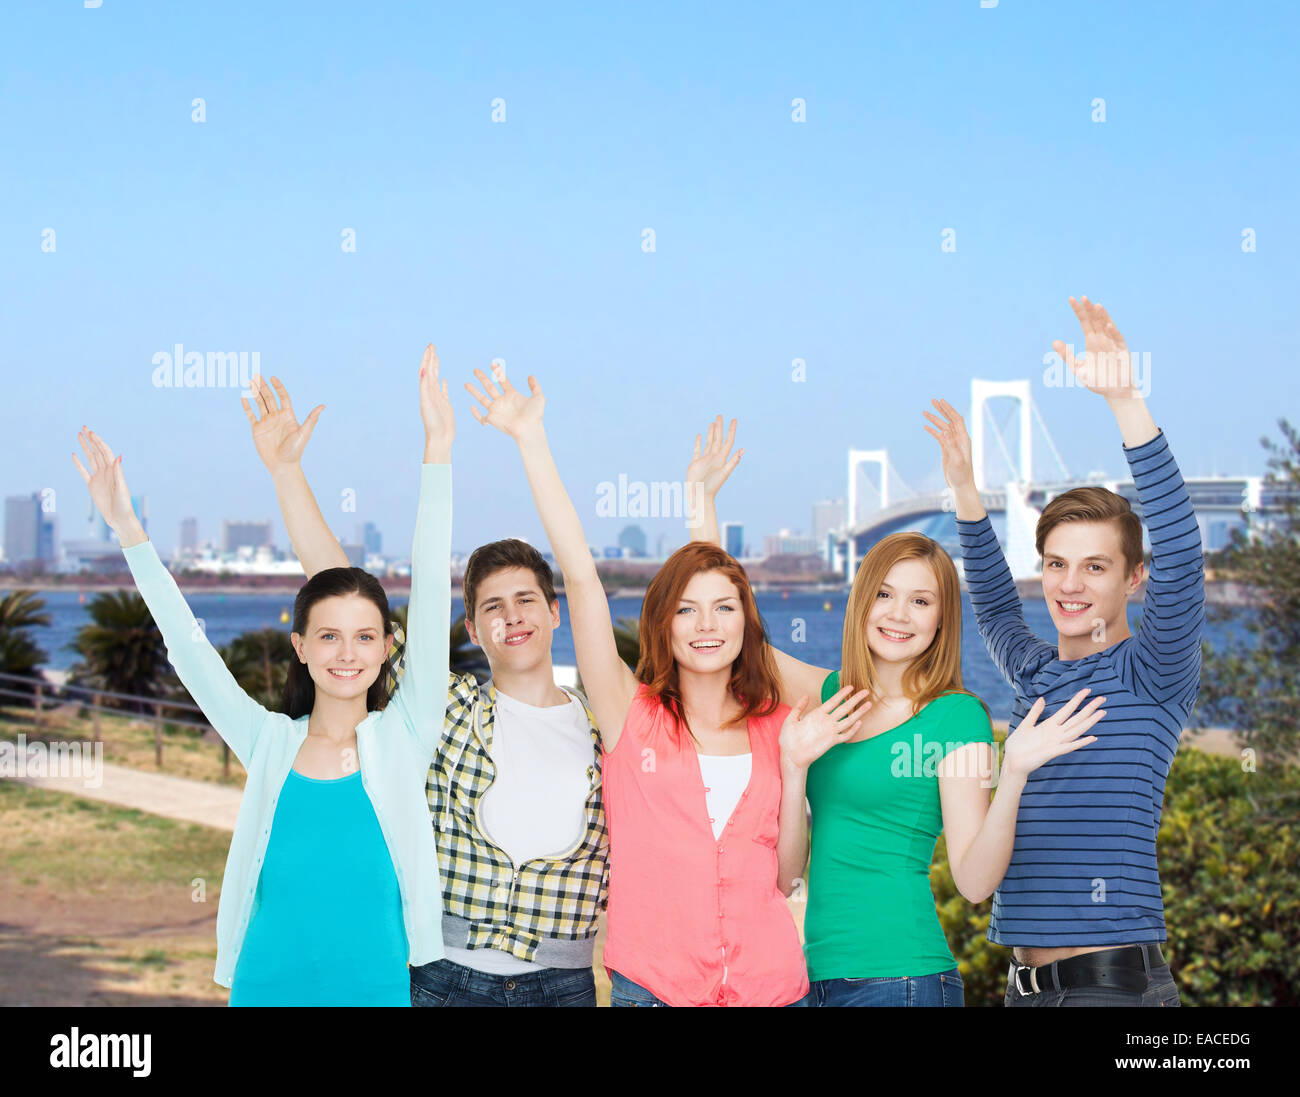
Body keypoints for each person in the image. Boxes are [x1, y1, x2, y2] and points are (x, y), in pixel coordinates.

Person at [466, 365, 870, 1006]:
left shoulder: (777, 726)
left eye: (725, 610)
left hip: (773, 990)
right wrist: (529, 438)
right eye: (686, 610)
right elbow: (579, 573)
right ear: (664, 624)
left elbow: (786, 878)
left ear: (748, 623)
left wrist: (795, 771)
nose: (707, 626)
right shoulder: (631, 715)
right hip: (651, 988)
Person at [73, 346, 452, 1005]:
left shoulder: (407, 735)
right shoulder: (270, 742)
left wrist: (438, 450)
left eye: (365, 636)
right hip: (265, 985)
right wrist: (129, 527)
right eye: (329, 635)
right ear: (300, 647)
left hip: (377, 988)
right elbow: (191, 651)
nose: (347, 652)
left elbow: (432, 584)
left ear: (389, 647)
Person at [688, 419, 1106, 1007]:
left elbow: (974, 882)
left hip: (903, 979)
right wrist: (702, 507)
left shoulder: (955, 718)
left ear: (941, 619)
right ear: (861, 603)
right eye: (884, 594)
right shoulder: (831, 696)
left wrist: (1012, 773)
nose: (899, 614)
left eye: (921, 600)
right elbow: (735, 637)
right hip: (811, 978)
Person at [242, 371, 606, 1008]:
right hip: (445, 978)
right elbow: (340, 590)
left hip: (565, 983)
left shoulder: (606, 725)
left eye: (526, 600)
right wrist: (286, 473)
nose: (512, 616)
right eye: (493, 606)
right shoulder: (443, 707)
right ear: (472, 627)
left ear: (554, 612)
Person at [927, 295, 1205, 1007]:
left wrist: (1125, 402)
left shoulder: (1153, 670)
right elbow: (990, 598)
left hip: (1111, 988)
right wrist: (965, 489)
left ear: (1133, 578)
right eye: (1055, 563)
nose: (1069, 584)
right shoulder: (1032, 671)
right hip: (1025, 989)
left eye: (1095, 565)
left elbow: (1181, 547)